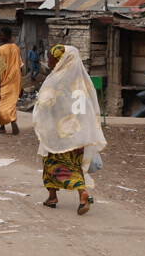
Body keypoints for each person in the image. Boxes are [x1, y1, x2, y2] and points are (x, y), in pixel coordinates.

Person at [33, 45, 107, 216]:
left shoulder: (56, 80)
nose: (50, 62)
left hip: (59, 133)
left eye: (52, 59)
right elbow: (82, 111)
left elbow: (45, 104)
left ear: (61, 60)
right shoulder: (81, 82)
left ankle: (83, 194)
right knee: (75, 165)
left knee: (57, 166)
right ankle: (53, 197)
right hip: (77, 134)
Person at [0, 28, 24, 135]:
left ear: (7, 36)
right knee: (11, 103)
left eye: (1, 35)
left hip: (4, 80)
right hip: (15, 80)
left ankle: (3, 126)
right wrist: (21, 83)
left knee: (1, 103)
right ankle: (12, 121)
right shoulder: (16, 48)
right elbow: (21, 66)